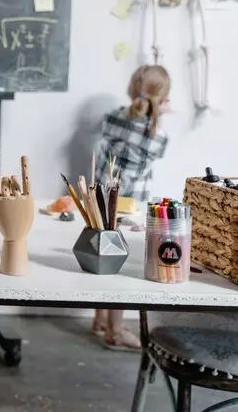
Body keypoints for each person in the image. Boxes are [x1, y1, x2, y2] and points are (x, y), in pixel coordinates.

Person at [92, 64, 171, 351]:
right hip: (128, 207)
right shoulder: (157, 135)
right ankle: (115, 330)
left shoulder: (111, 118)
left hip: (100, 200)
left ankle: (101, 319)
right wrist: (157, 114)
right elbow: (156, 150)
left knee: (101, 257)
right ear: (163, 98)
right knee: (119, 265)